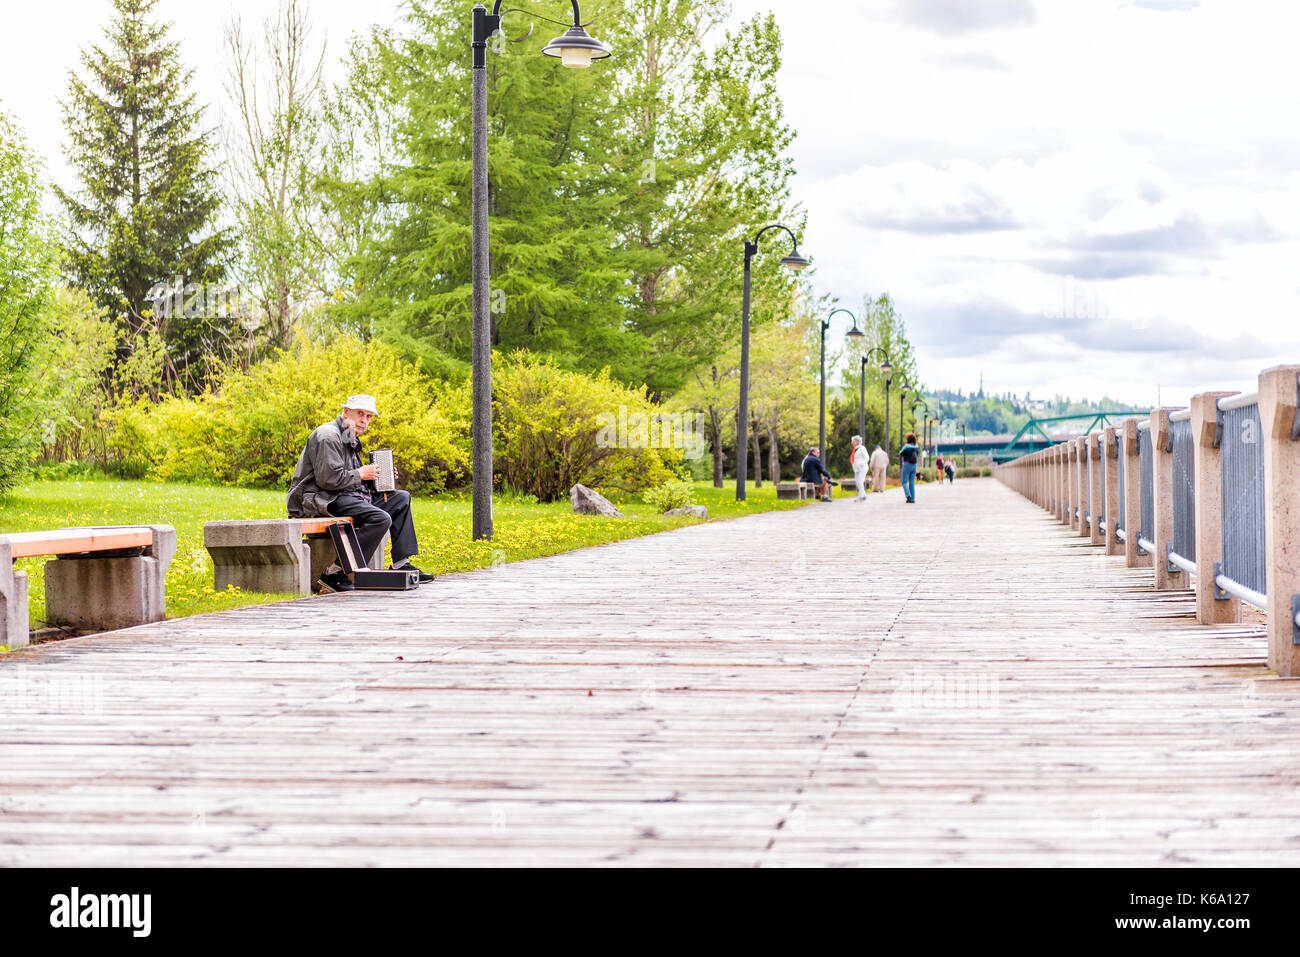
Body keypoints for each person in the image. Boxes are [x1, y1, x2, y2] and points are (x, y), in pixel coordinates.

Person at [287, 394, 435, 592]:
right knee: (380, 518)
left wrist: (375, 478)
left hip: (342, 495)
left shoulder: (349, 435)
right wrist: (361, 473)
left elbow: (351, 480)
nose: (364, 421)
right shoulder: (328, 436)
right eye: (360, 414)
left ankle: (401, 563)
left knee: (401, 498)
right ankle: (334, 573)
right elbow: (328, 480)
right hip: (319, 499)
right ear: (346, 412)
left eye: (369, 417)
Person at [899, 432, 920, 503]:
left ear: (908, 439)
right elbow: (917, 454)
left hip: (907, 465)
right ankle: (912, 499)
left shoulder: (906, 446)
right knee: (912, 482)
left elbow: (900, 453)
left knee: (904, 482)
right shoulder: (916, 446)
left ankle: (908, 495)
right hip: (914, 465)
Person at [850, 435, 869, 501]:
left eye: (853, 441)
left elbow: (867, 457)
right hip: (856, 469)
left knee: (860, 481)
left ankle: (861, 496)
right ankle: (863, 495)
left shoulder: (862, 448)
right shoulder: (855, 449)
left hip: (862, 468)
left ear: (856, 442)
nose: (851, 442)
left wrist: (862, 464)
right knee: (858, 482)